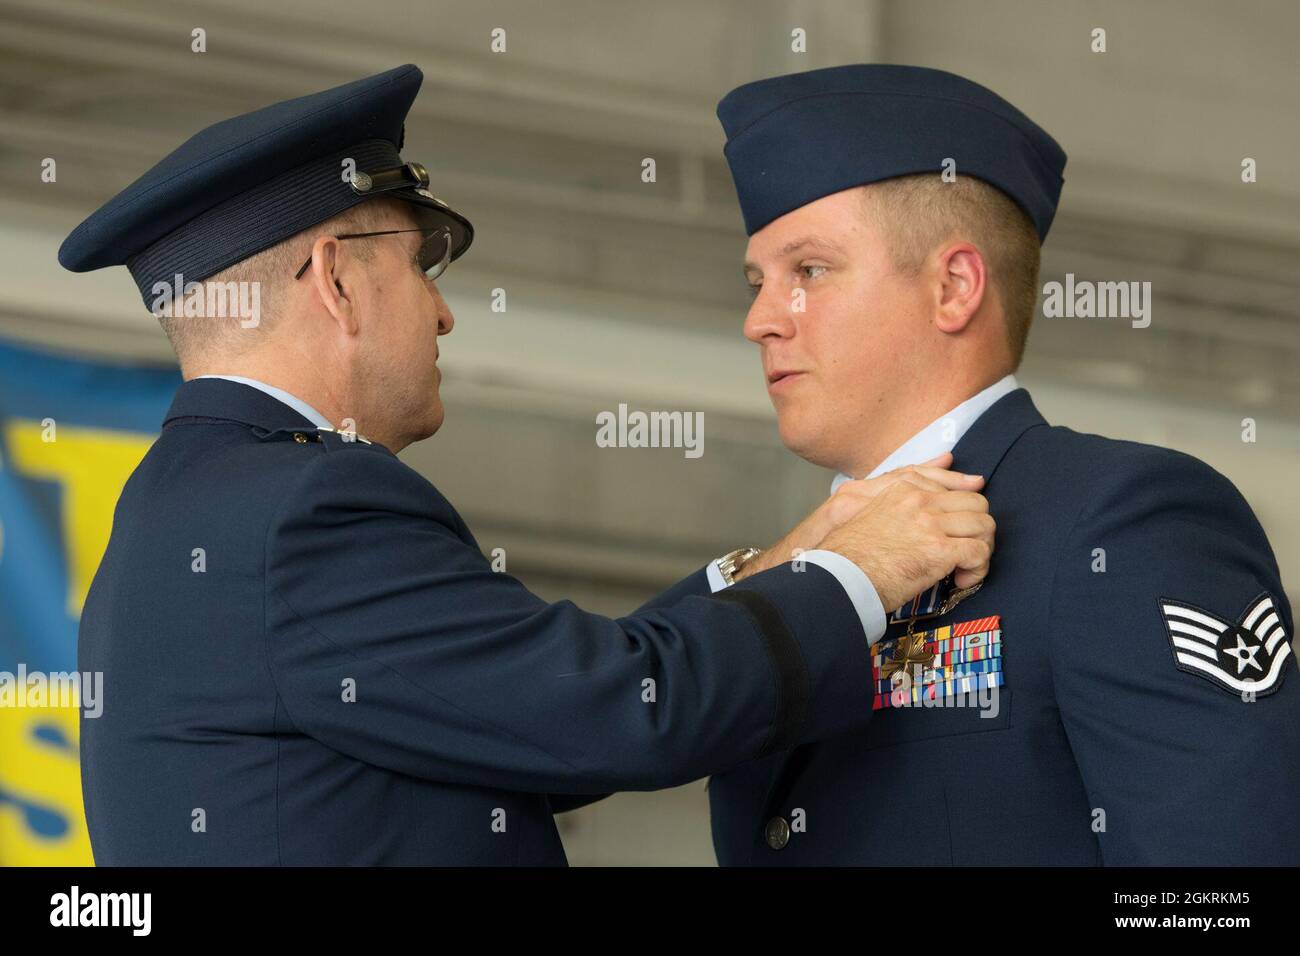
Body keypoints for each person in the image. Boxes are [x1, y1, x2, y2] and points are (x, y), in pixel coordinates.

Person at [57, 65, 995, 864]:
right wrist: (860, 570)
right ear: (338, 281)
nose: (443, 312)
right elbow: (619, 713)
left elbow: (532, 709)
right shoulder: (305, 508)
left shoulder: (191, 509)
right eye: (421, 264)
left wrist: (780, 565)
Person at [698, 64, 1299, 865]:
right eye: (757, 282)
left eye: (808, 271)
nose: (761, 319)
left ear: (953, 288)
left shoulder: (1125, 521)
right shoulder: (794, 578)